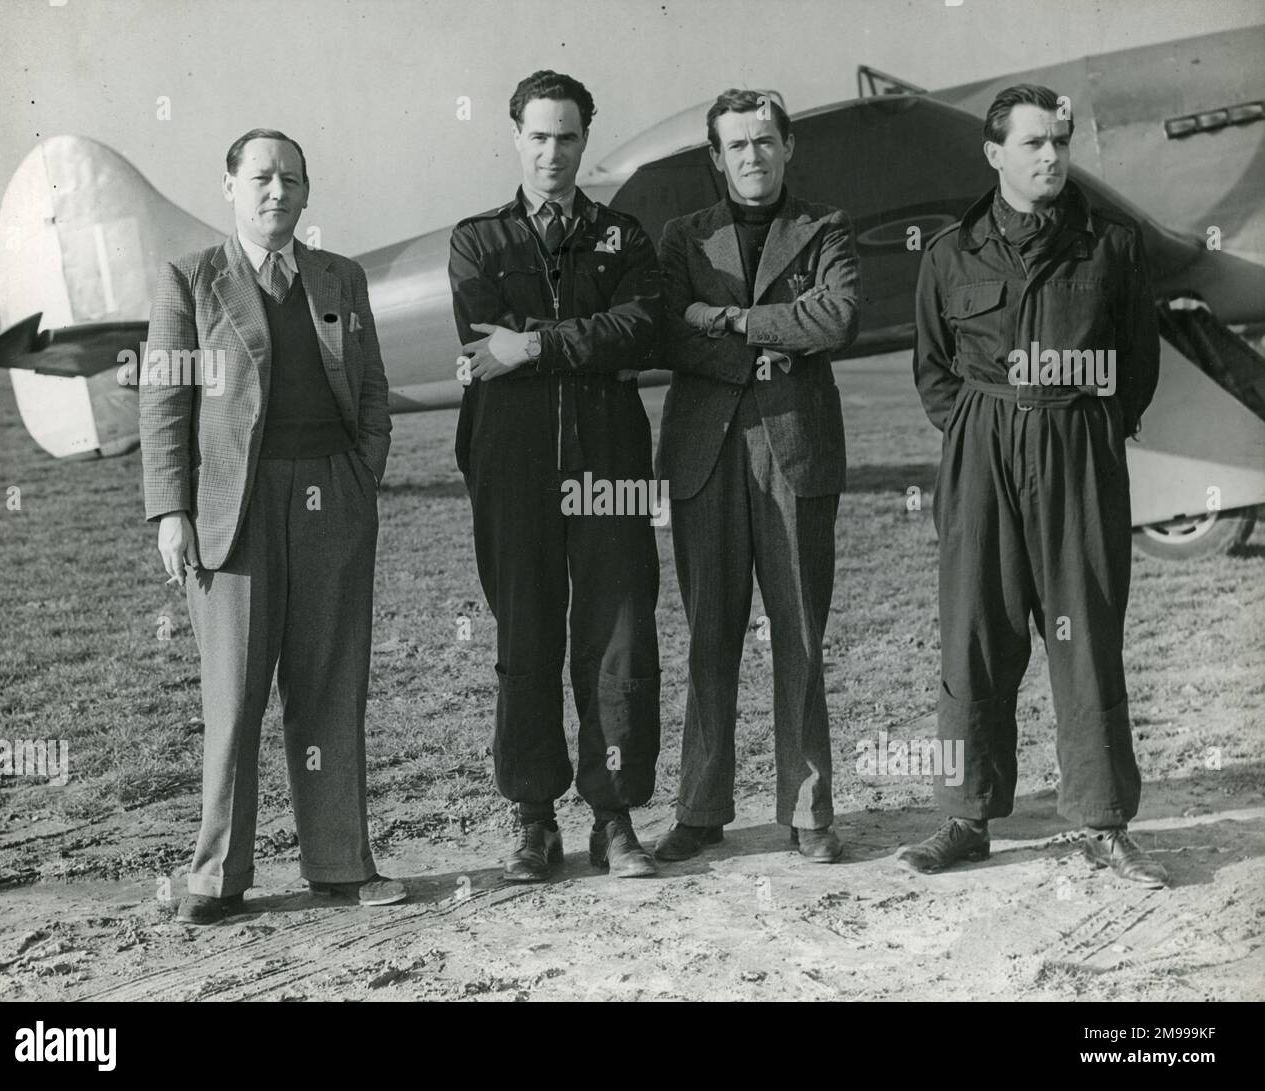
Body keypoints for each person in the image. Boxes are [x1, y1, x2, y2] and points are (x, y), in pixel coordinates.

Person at [141, 129, 405, 923]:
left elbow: (373, 390)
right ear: (229, 186)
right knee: (234, 696)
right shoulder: (190, 280)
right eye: (260, 178)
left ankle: (340, 862)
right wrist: (172, 510)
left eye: (291, 179)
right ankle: (216, 876)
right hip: (234, 509)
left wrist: (362, 474)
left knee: (330, 688)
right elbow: (163, 405)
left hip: (333, 496)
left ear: (306, 192)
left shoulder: (340, 277)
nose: (276, 192)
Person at [906, 85, 1165, 886]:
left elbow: (1138, 362)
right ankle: (965, 815)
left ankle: (1103, 820)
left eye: (1060, 141)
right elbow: (933, 369)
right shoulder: (951, 251)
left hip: (1078, 444)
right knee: (975, 629)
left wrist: (1085, 428)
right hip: (982, 445)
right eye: (1033, 144)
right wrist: (985, 429)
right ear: (995, 155)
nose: (1051, 156)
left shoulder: (1111, 244)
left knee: (1083, 629)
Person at [448, 71, 663, 880]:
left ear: (585, 139)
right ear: (516, 138)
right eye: (538, 135)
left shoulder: (624, 237)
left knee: (618, 634)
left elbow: (642, 330)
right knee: (526, 634)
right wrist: (585, 336)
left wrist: (532, 344)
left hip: (610, 459)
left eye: (567, 136)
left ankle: (613, 817)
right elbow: (481, 340)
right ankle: (533, 816)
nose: (552, 151)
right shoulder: (477, 240)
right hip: (513, 460)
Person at [653, 89, 860, 864]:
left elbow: (837, 318)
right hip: (705, 454)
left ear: (788, 146)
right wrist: (777, 339)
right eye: (736, 145)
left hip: (797, 451)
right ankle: (701, 807)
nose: (752, 156)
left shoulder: (826, 227)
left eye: (765, 141)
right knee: (711, 632)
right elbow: (670, 332)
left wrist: (736, 320)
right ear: (715, 155)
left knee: (800, 632)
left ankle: (809, 811)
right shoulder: (683, 238)